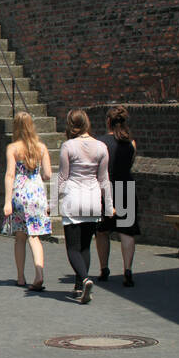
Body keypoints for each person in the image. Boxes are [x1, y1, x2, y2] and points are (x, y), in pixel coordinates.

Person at [58, 109, 113, 303]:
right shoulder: (101, 146)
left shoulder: (68, 146)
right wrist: (109, 205)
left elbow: (63, 177)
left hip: (74, 197)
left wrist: (54, 201)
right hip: (93, 198)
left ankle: (85, 279)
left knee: (72, 248)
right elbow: (104, 179)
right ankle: (79, 286)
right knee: (85, 246)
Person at [2, 112, 52, 289]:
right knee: (35, 236)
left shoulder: (13, 148)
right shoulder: (42, 148)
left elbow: (10, 174)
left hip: (20, 194)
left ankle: (21, 277)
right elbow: (47, 174)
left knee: (20, 237)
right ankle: (39, 273)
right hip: (37, 194)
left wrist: (7, 202)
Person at [96, 104, 139, 286]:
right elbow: (130, 163)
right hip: (126, 187)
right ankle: (127, 270)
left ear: (108, 121)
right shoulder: (131, 143)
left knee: (102, 231)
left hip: (106, 189)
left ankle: (104, 269)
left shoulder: (100, 143)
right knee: (127, 232)